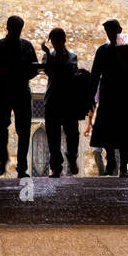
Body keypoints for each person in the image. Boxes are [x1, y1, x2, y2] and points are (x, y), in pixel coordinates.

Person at [88, 19, 128, 177]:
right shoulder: (102, 51)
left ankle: (122, 167)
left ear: (120, 30)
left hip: (125, 93)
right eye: (108, 32)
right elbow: (94, 74)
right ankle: (112, 161)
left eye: (113, 31)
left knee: (125, 131)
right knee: (108, 129)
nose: (111, 35)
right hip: (109, 94)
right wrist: (90, 97)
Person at [0, 15, 39, 177]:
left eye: (19, 28)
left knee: (23, 130)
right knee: (1, 127)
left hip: (22, 92)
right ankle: (3, 158)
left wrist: (24, 74)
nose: (17, 31)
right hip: (4, 93)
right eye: (15, 28)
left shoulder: (27, 46)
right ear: (8, 28)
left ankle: (21, 167)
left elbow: (35, 69)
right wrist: (5, 72)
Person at [39, 27, 80, 177]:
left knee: (73, 134)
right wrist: (48, 54)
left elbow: (69, 71)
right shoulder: (48, 56)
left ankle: (72, 157)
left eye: (57, 40)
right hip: (52, 101)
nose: (55, 44)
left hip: (69, 101)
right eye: (53, 41)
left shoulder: (72, 57)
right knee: (53, 136)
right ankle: (56, 167)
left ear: (63, 40)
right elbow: (49, 71)